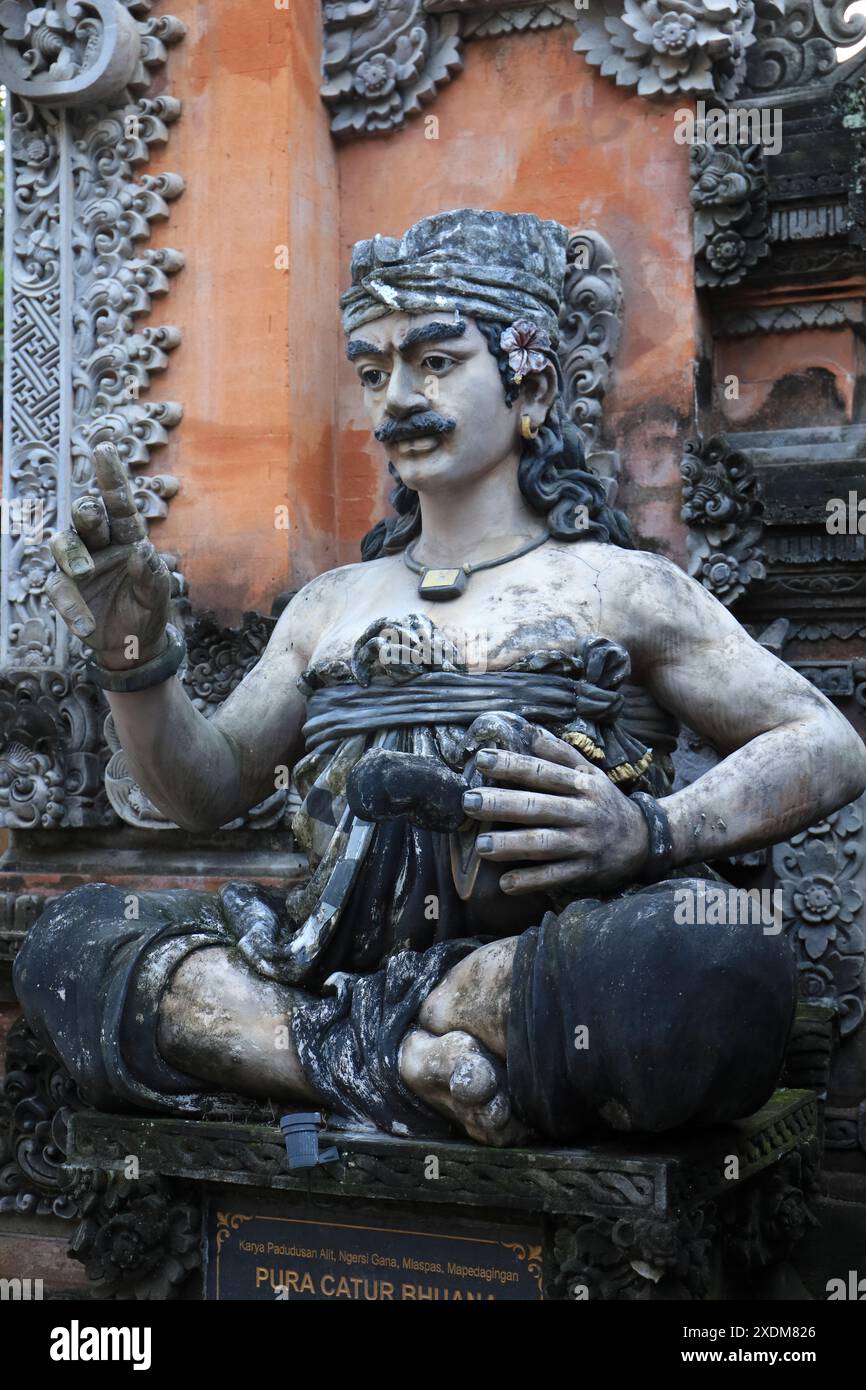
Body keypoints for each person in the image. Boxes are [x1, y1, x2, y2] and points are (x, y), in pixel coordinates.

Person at [14, 210, 866, 1145]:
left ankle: (341, 1047)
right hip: (318, 957)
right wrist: (134, 656)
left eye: (435, 361)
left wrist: (653, 831)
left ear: (530, 379)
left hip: (531, 969)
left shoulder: (619, 589)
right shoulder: (329, 606)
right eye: (375, 373)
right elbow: (206, 791)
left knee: (708, 960)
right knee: (69, 943)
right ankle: (409, 1058)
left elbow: (826, 743)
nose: (396, 401)